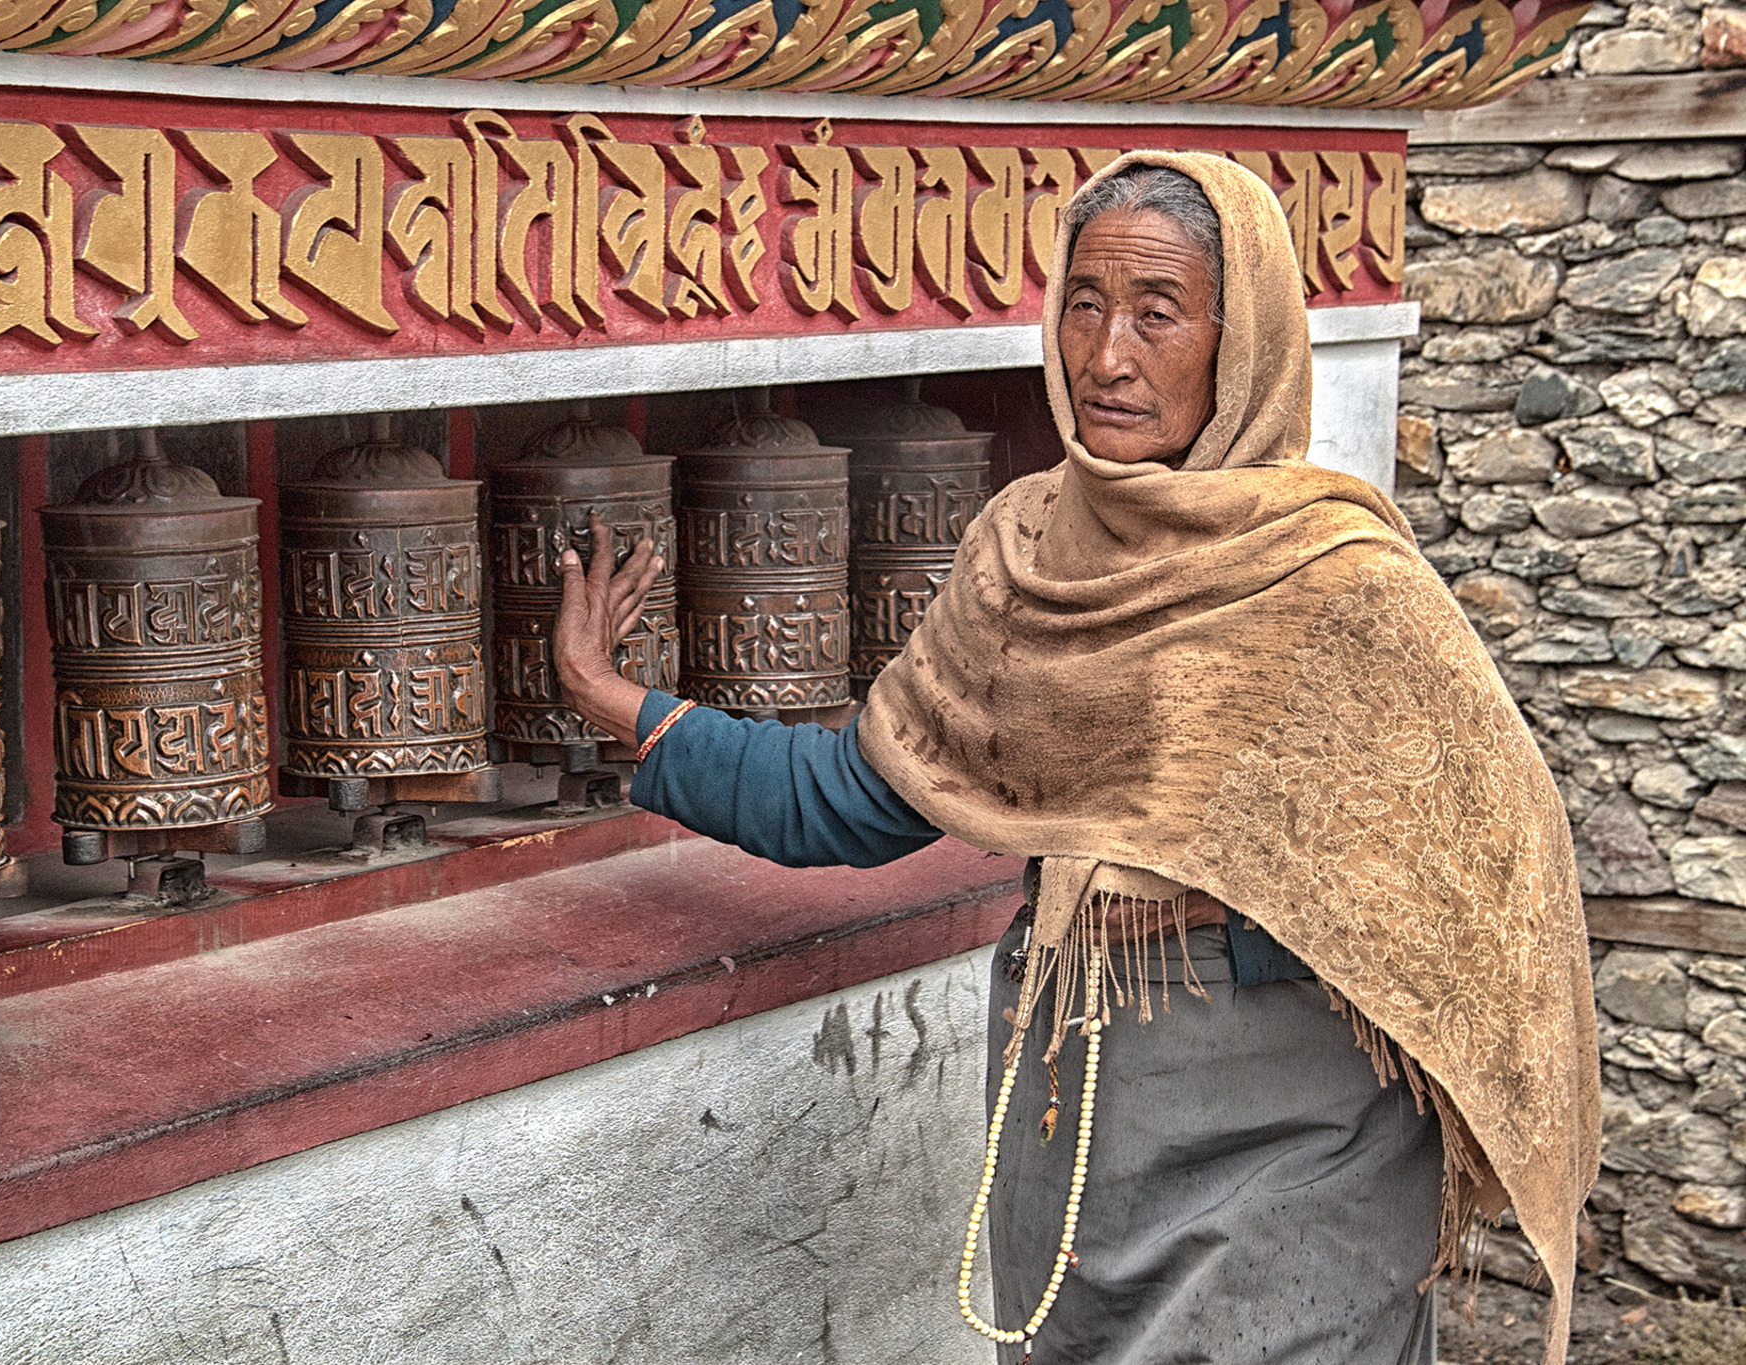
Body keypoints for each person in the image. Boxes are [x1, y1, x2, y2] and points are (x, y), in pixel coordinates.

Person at [550, 152, 1600, 1365]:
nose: (1105, 356)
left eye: (1157, 313)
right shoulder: (1024, 553)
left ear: (1240, 340)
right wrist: (613, 699)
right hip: (1090, 1124)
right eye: (1084, 305)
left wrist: (1251, 899)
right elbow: (852, 798)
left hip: (1302, 1135)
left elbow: (1490, 872)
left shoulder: (1340, 582)